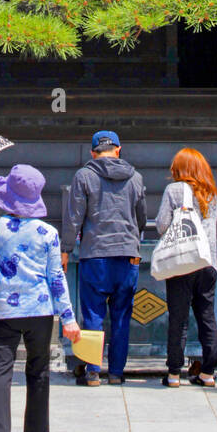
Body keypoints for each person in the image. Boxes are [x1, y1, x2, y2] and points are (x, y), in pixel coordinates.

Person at [0, 163, 80, 432]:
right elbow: (56, 277)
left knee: (0, 370)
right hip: (40, 311)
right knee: (39, 369)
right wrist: (67, 318)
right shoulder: (49, 233)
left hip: (2, 311)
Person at [61, 129, 146, 387]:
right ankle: (117, 372)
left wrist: (65, 249)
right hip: (127, 254)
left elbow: (73, 217)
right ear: (118, 150)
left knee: (93, 314)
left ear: (93, 153)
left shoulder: (84, 176)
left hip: (95, 255)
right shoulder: (136, 177)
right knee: (121, 315)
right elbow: (141, 216)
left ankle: (93, 371)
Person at [155, 147, 217, 388]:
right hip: (207, 263)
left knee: (178, 319)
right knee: (206, 317)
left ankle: (173, 374)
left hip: (182, 262)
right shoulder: (211, 192)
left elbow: (162, 225)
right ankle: (208, 372)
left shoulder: (173, 190)